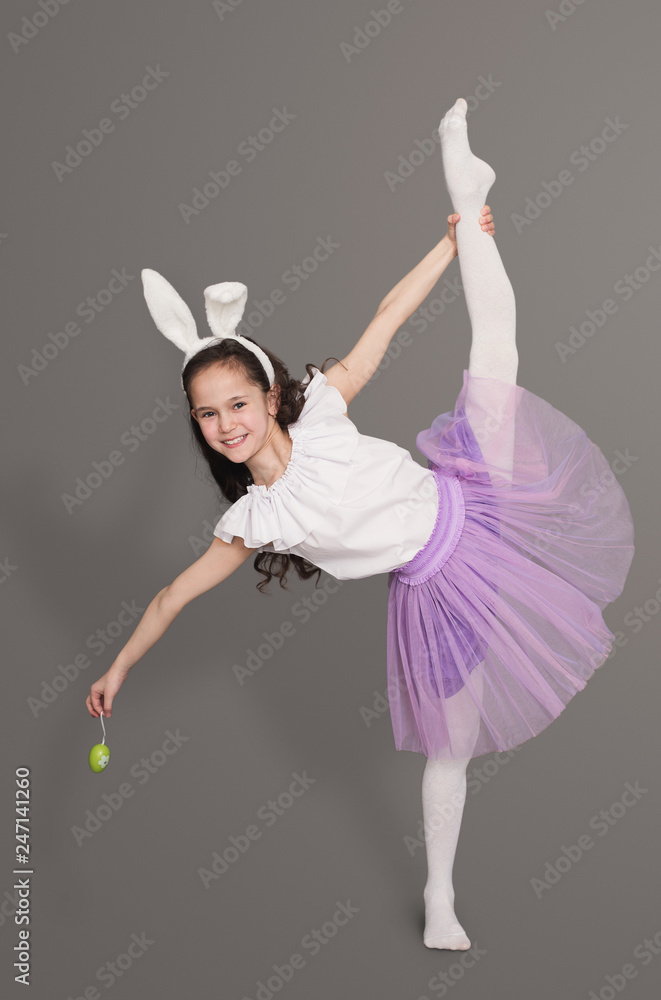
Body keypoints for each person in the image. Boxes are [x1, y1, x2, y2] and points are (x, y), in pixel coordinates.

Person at [85, 98, 635, 952]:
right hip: (432, 588)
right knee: (450, 747)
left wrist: (451, 240)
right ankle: (440, 898)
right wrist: (119, 666)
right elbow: (171, 597)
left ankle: (464, 188)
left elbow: (384, 319)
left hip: (470, 497)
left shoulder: (320, 412)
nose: (225, 424)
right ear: (195, 423)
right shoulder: (255, 518)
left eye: (237, 404)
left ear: (269, 395)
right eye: (206, 414)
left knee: (496, 355)